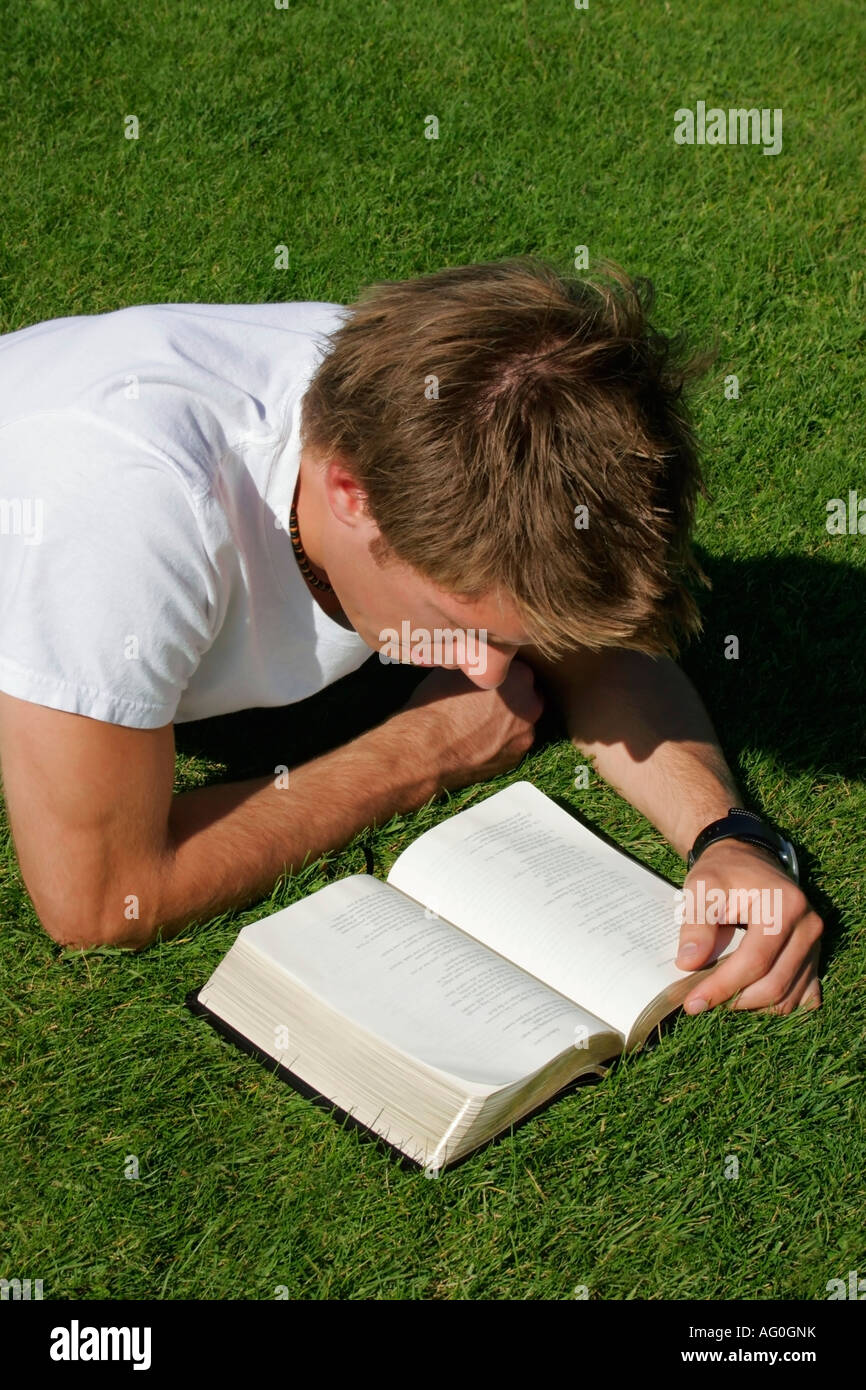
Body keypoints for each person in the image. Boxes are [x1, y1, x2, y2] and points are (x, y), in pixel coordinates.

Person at [0, 257, 822, 1014]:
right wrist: (421, 750)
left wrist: (731, 837)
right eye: (461, 627)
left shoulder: (430, 412)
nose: (493, 669)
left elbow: (586, 647)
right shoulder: (127, 520)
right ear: (351, 495)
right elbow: (101, 898)